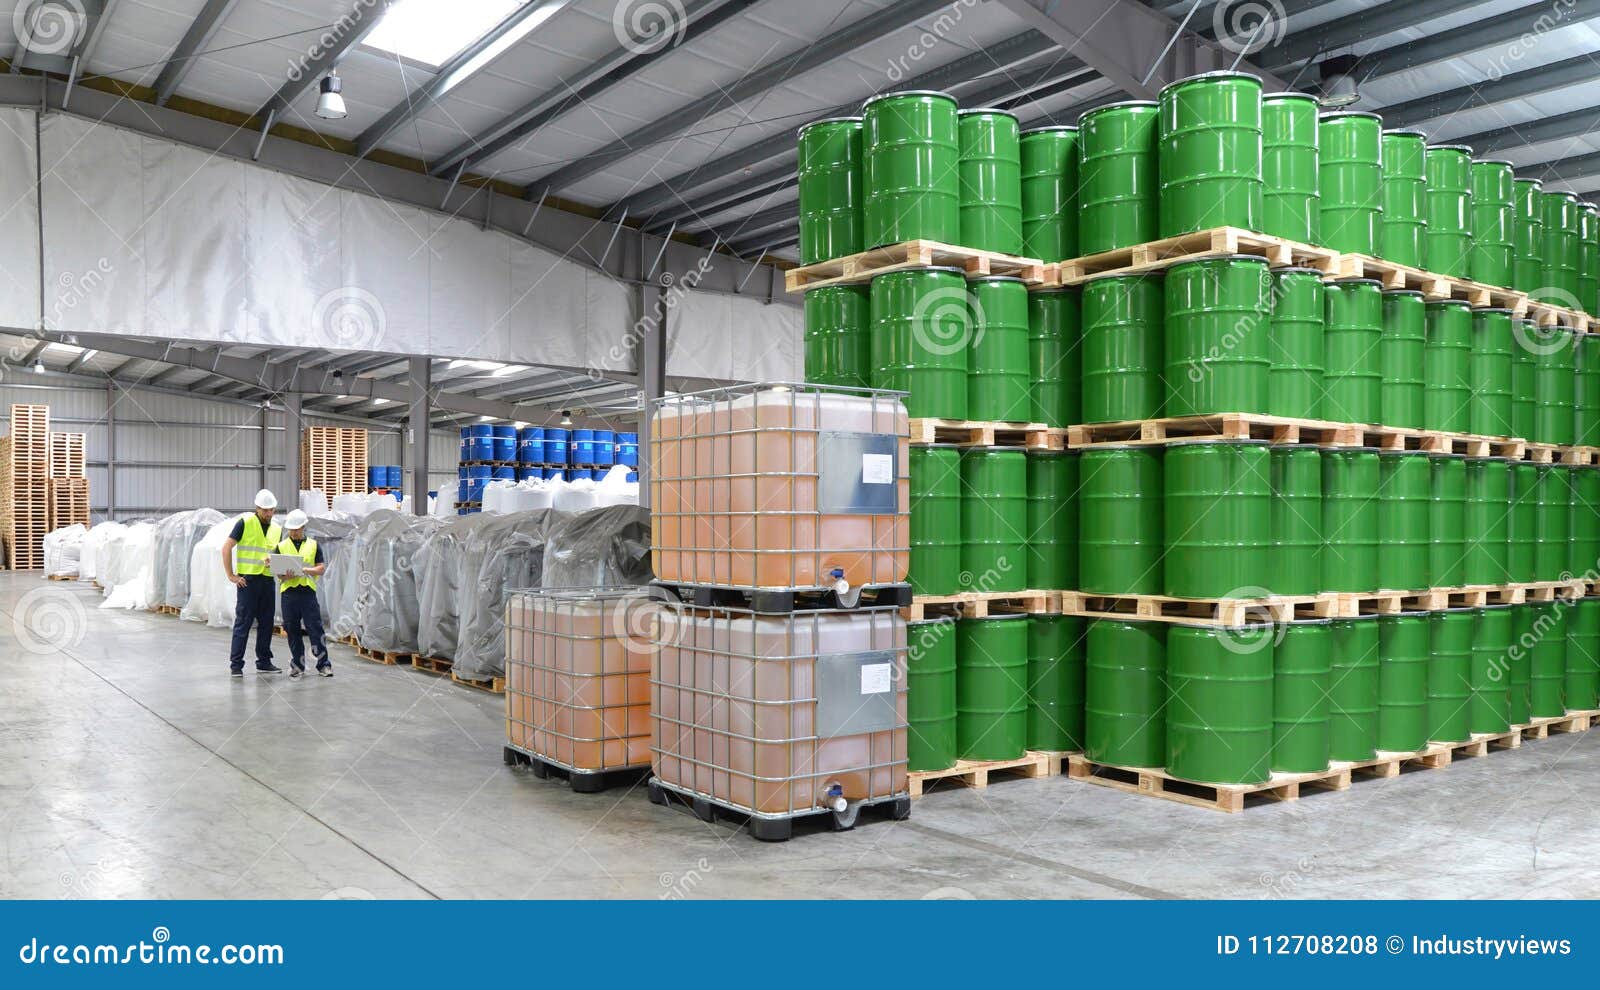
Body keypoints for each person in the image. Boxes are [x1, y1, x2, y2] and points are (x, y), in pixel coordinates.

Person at [222, 489, 283, 677]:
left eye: (271, 510)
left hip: (267, 580)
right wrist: (231, 576)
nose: (268, 514)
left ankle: (264, 662)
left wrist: (276, 564)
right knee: (243, 623)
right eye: (265, 510)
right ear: (257, 508)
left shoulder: (277, 528)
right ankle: (236, 665)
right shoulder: (245, 523)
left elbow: (276, 554)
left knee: (266, 623)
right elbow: (226, 548)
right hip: (247, 582)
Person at [276, 509, 331, 680]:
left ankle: (324, 665)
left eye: (296, 529)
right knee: (292, 630)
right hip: (289, 593)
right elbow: (278, 573)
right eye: (291, 529)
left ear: (303, 527)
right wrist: (286, 575)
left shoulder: (314, 545)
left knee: (315, 629)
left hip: (307, 593)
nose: (293, 532)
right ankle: (297, 665)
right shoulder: (281, 546)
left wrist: (307, 570)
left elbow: (321, 568)